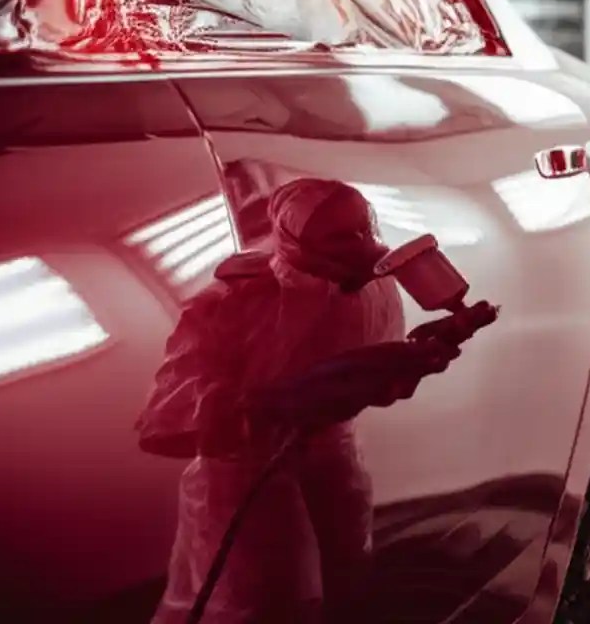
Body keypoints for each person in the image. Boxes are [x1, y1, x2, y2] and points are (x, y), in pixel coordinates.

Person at [136, 178, 488, 623]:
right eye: (342, 237)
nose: (362, 246)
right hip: (246, 467)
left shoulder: (373, 289)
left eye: (364, 230)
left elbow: (369, 373)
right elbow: (168, 411)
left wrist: (412, 360)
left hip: (331, 450)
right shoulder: (237, 300)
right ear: (295, 239)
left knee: (346, 574)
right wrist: (259, 405)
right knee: (260, 596)